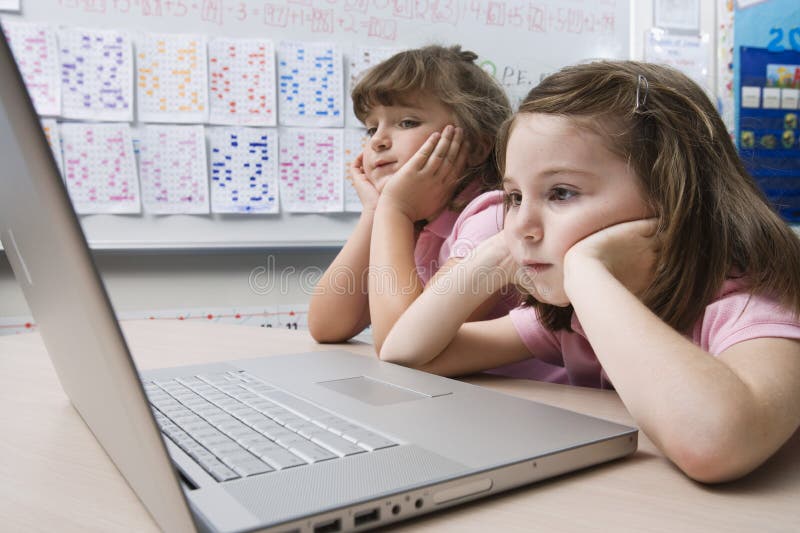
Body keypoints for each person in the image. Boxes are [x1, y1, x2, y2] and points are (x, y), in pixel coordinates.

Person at [379, 60, 800, 483]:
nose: (523, 224)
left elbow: (715, 445)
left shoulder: (753, 305)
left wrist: (587, 269)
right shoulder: (570, 319)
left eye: (561, 193)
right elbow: (407, 354)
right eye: (514, 197)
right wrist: (495, 253)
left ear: (672, 196)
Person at [309, 45, 537, 362]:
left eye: (406, 122)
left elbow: (399, 346)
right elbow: (327, 326)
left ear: (474, 147)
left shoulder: (494, 219)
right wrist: (375, 212)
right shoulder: (417, 221)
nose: (377, 140)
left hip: (532, 404)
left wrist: (394, 210)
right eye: (372, 127)